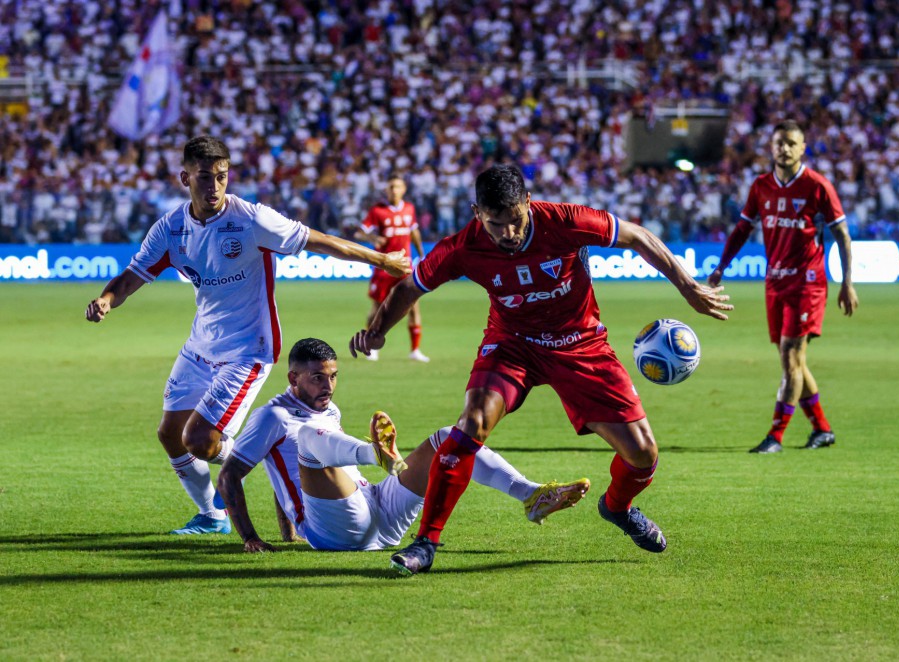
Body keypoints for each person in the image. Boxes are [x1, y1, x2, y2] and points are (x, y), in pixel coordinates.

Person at [349, 164, 733, 576]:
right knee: (470, 424)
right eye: (497, 224)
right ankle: (425, 543)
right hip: (512, 345)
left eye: (516, 220)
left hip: (582, 345)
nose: (509, 233)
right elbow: (411, 286)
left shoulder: (565, 221)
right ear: (478, 213)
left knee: (642, 454)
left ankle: (617, 507)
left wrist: (688, 286)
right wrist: (377, 332)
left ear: (528, 204)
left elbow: (638, 236)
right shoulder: (464, 246)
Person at [84, 136, 410, 535]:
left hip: (248, 349)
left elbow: (318, 240)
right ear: (185, 177)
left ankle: (275, 453)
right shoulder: (171, 229)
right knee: (169, 434)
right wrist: (106, 300)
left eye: (222, 177)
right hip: (200, 345)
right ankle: (211, 515)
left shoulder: (252, 218)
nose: (215, 186)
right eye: (205, 177)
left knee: (200, 439)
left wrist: (379, 259)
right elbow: (134, 275)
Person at [216, 338, 591, 552]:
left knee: (450, 437)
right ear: (293, 378)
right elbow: (231, 475)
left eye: (333, 377)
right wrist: (251, 538)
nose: (328, 387)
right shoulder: (272, 416)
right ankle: (374, 454)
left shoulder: (327, 408)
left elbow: (286, 474)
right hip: (335, 529)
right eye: (317, 378)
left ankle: (530, 495)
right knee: (310, 441)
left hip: (377, 507)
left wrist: (287, 532)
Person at [707, 120, 858, 454]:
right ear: (771, 147)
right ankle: (822, 429)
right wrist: (721, 266)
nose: (785, 148)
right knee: (795, 364)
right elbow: (742, 230)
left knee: (791, 357)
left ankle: (775, 436)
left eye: (791, 143)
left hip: (807, 284)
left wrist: (847, 283)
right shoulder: (761, 186)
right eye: (779, 143)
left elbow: (842, 236)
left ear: (803, 148)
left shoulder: (817, 186)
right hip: (774, 282)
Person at [354, 174, 429, 362]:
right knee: (378, 308)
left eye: (397, 186)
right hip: (384, 266)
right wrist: (374, 238)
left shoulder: (409, 209)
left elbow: (414, 232)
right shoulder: (377, 211)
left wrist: (421, 254)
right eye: (391, 187)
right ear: (386, 190)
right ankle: (371, 347)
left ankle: (415, 350)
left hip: (405, 266)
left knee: (413, 306)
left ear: (403, 189)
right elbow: (360, 232)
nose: (394, 190)